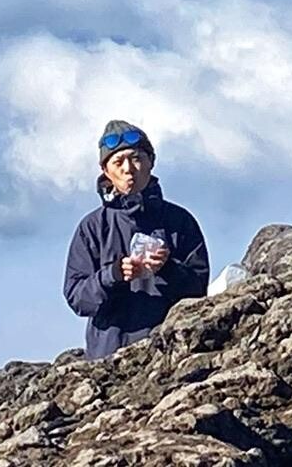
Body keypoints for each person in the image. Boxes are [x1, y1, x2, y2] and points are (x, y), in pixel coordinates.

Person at [63, 120, 210, 360]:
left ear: (151, 162)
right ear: (106, 171)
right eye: (118, 162)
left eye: (137, 158)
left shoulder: (180, 221)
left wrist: (168, 268)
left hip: (170, 356)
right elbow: (77, 298)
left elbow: (198, 291)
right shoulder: (91, 227)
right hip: (108, 361)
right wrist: (113, 274)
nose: (128, 169)